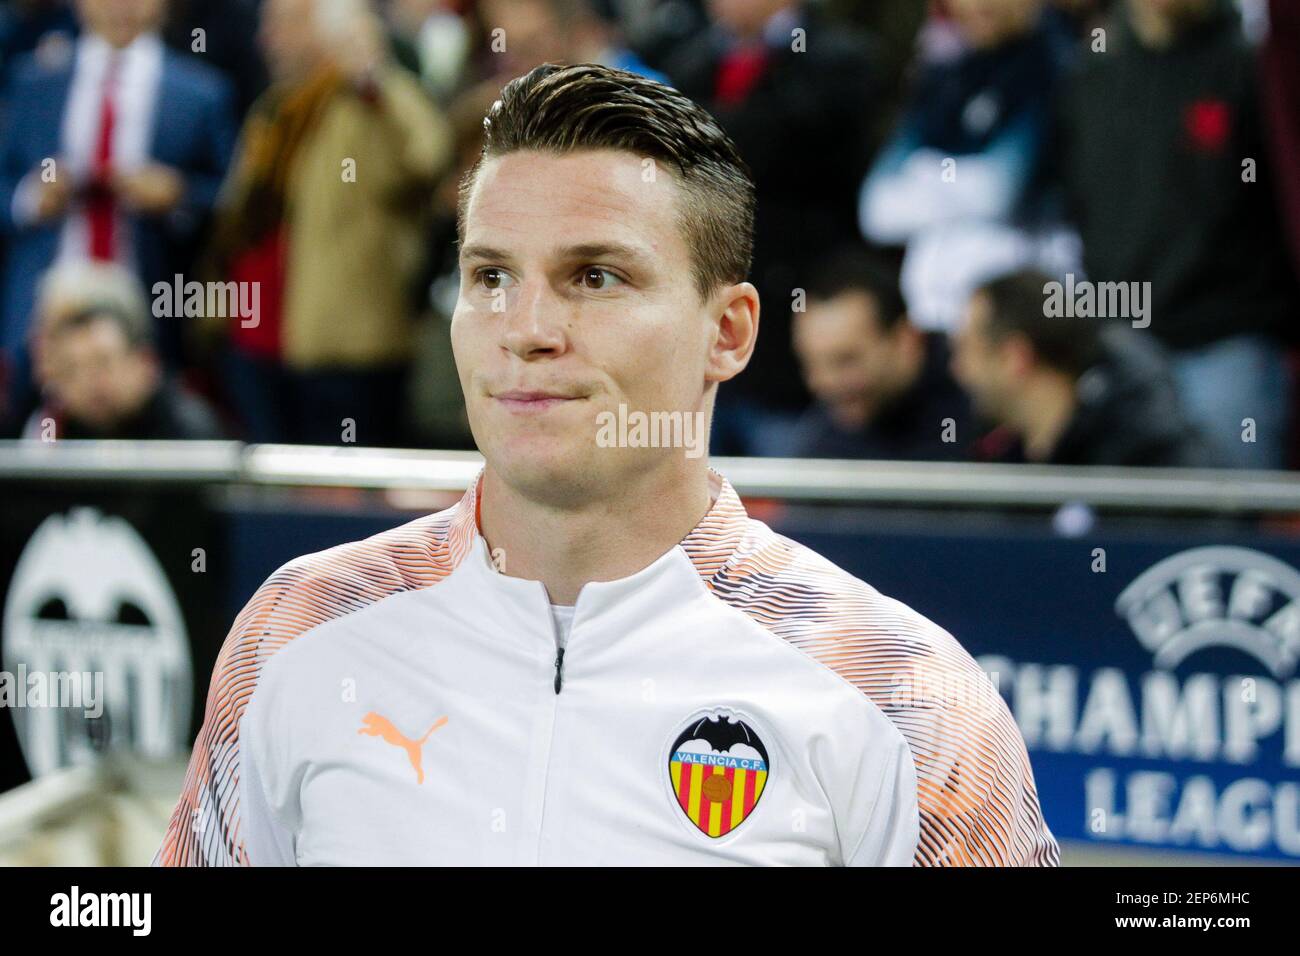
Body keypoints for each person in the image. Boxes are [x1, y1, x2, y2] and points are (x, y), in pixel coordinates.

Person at [155, 63, 1057, 866]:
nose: (528, 330)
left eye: (596, 277)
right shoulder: (297, 630)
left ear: (729, 332)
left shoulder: (902, 695)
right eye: (491, 277)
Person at [1058, 0, 1297, 469]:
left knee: (1234, 520)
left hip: (1228, 342)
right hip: (1123, 342)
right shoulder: (1094, 74)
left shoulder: (1250, 68)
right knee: (1127, 526)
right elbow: (1081, 202)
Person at [206, 0, 452, 445]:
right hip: (264, 335)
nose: (266, 40)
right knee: (281, 486)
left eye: (284, 25)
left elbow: (430, 153)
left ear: (331, 33)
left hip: (349, 343)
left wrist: (376, 76)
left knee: (345, 490)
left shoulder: (369, 103)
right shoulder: (279, 107)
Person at [0, 0, 236, 428]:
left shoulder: (201, 92)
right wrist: (30, 197)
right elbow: (6, 181)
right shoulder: (33, 80)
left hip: (151, 303)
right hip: (42, 300)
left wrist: (177, 195)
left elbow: (231, 201)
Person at [664, 0, 880, 454]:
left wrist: (704, 130)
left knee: (789, 504)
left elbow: (770, 145)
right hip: (702, 340)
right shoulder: (686, 59)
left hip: (792, 337)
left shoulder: (837, 58)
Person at [859, 0, 1078, 334]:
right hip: (938, 317)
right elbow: (876, 210)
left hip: (1026, 315)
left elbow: (995, 192)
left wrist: (924, 173)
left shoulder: (1059, 66)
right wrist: (958, 184)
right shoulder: (946, 75)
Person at [951, 270, 1218, 467]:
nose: (957, 370)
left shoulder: (1144, 460)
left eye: (967, 351)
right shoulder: (996, 459)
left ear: (1014, 357)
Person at [790, 246, 972, 460]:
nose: (824, 382)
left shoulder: (983, 401)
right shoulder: (820, 443)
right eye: (810, 363)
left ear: (906, 340)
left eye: (846, 360)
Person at [22, 260, 224, 440]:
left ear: (145, 361)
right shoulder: (51, 428)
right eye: (73, 369)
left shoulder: (191, 434)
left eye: (103, 362)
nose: (90, 381)